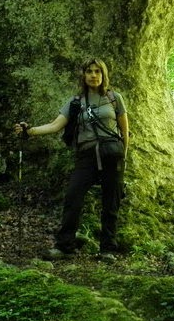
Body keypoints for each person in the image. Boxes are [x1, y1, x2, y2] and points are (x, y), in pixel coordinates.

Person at [14, 58, 129, 261]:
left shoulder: (114, 98)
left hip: (112, 155)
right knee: (73, 198)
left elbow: (125, 131)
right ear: (83, 76)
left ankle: (107, 249)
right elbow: (55, 125)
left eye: (97, 72)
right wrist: (28, 131)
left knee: (111, 203)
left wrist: (124, 158)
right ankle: (65, 247)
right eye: (89, 72)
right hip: (86, 155)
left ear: (103, 75)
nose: (94, 75)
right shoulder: (76, 102)